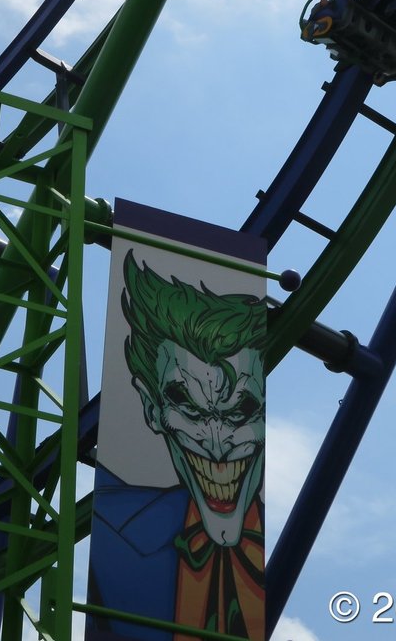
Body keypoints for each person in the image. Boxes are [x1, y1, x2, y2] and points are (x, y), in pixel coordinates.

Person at [89, 253, 265, 641]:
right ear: (152, 408)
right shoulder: (113, 528)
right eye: (188, 408)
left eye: (243, 411)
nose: (217, 443)